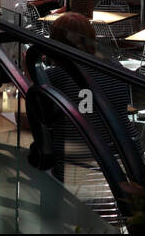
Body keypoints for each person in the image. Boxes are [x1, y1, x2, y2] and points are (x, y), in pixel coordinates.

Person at [42, 13, 138, 184]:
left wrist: (31, 75)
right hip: (127, 162)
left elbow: (35, 119)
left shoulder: (54, 76)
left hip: (76, 165)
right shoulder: (115, 68)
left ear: (54, 41)